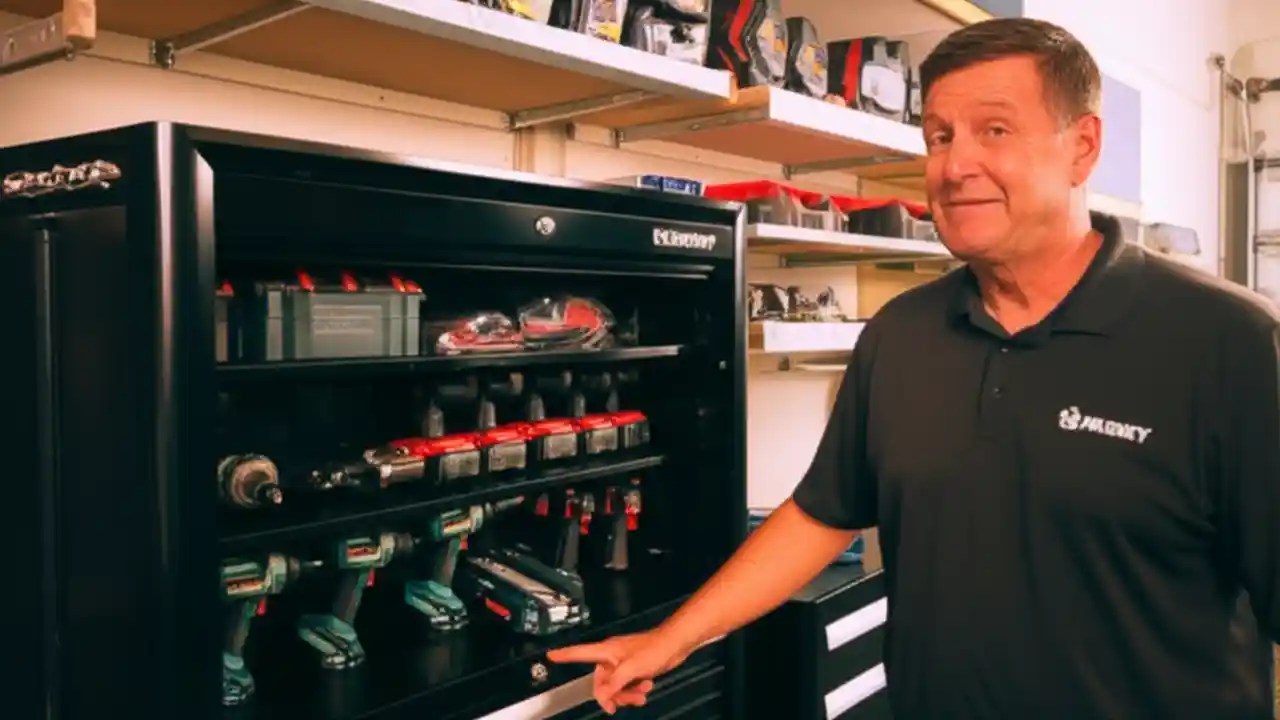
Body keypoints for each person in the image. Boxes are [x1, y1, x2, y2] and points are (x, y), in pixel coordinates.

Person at [549, 17, 1280, 719]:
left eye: (994, 130)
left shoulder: (1228, 344)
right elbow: (820, 515)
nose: (956, 165)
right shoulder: (900, 335)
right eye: (939, 136)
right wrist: (673, 638)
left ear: (1082, 147)